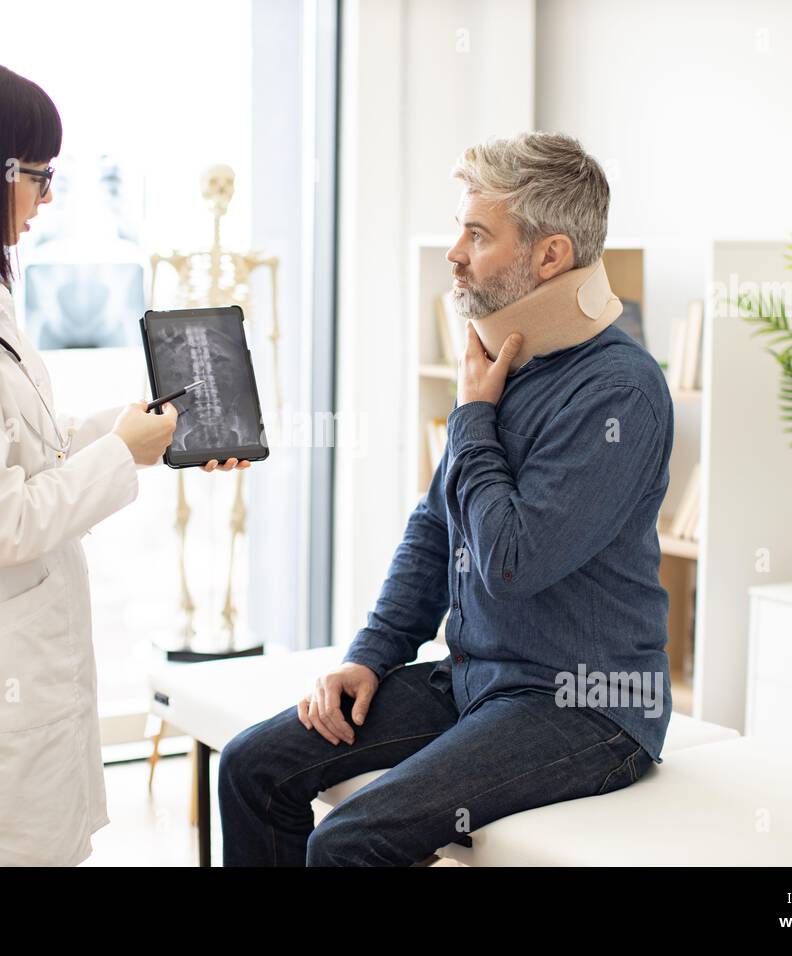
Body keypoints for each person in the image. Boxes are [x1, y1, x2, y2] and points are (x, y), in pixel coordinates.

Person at [218, 132, 673, 866]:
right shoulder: (510, 362)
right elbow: (437, 526)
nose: (454, 253)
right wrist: (371, 656)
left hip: (586, 707)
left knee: (350, 841)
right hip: (481, 680)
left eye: (476, 233)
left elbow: (512, 562)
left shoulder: (618, 391)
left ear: (551, 256)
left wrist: (471, 418)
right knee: (251, 767)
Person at [0, 55, 246, 866]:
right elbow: (0, 521)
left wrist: (144, 432)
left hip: (15, 641)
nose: (47, 198)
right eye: (37, 176)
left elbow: (27, 445)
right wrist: (118, 454)